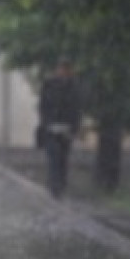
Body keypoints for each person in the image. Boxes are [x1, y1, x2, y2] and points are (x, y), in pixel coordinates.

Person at [37, 60, 82, 199]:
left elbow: (77, 108)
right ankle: (54, 185)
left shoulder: (74, 85)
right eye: (60, 69)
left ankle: (61, 184)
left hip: (66, 127)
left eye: (65, 69)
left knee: (63, 156)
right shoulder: (49, 84)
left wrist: (75, 128)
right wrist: (45, 123)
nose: (62, 72)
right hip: (51, 126)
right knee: (54, 156)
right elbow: (43, 105)